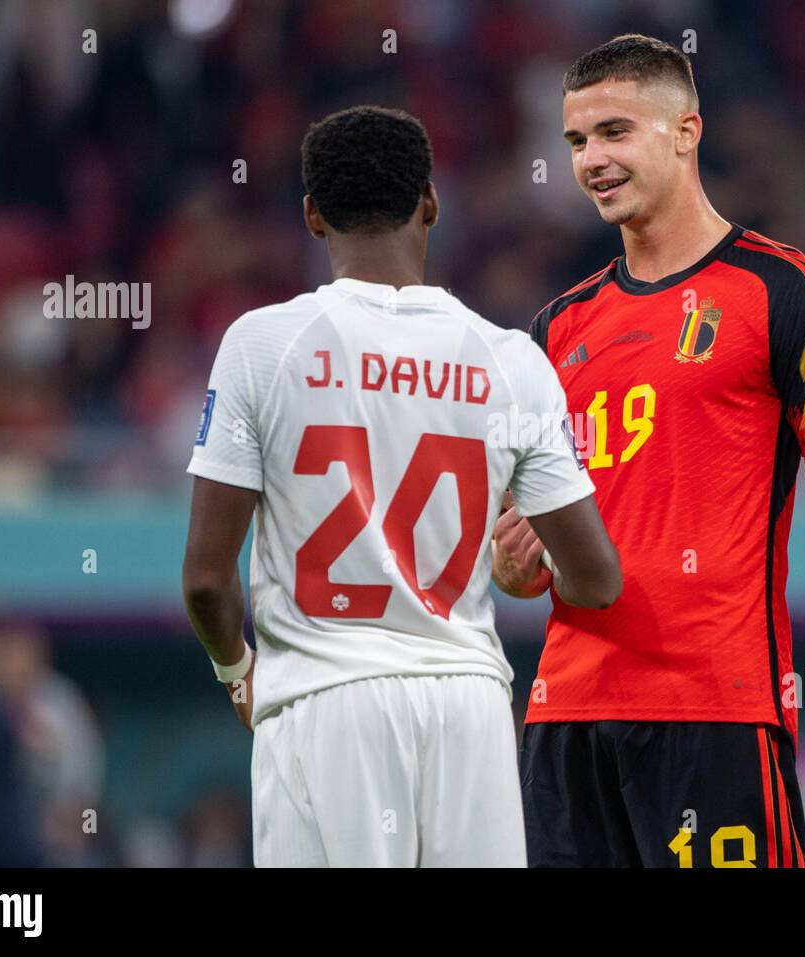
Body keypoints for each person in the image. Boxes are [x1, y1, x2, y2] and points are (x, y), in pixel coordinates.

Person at [492, 35, 805, 867]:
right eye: (577, 141)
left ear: (686, 131)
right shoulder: (555, 329)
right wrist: (513, 563)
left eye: (615, 132)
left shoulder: (790, 292)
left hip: (715, 711)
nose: (591, 161)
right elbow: (524, 563)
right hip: (564, 721)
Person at [182, 105, 621, 867]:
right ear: (431, 202)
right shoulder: (511, 359)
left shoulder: (261, 345)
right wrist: (521, 566)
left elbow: (205, 583)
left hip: (324, 703)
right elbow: (596, 576)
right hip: (469, 709)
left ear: (313, 216)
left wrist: (238, 673)